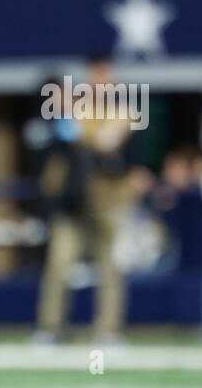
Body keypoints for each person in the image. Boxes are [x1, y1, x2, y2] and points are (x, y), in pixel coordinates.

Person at [34, 59, 147, 343]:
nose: (101, 84)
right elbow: (58, 138)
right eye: (96, 77)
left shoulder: (124, 114)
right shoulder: (72, 109)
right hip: (73, 200)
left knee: (111, 267)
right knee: (60, 263)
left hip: (108, 200)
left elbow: (121, 150)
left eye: (106, 78)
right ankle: (50, 329)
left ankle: (108, 330)